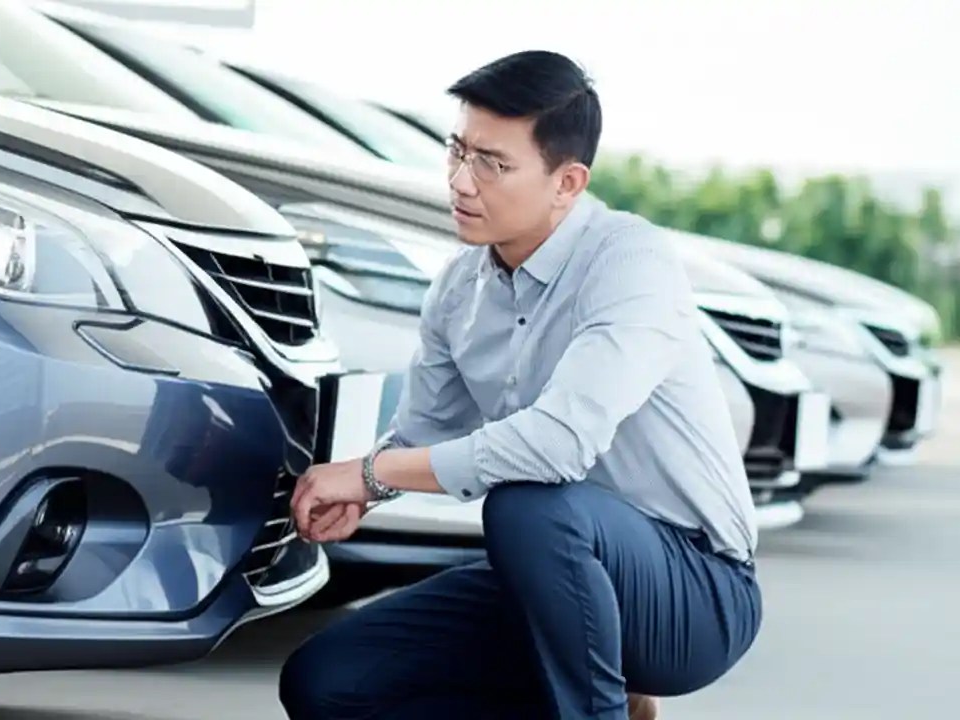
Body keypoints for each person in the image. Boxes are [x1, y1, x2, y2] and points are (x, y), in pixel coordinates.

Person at [282, 50, 764, 720]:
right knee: (326, 682)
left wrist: (368, 473)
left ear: (567, 182)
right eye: (458, 150)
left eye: (492, 163)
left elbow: (557, 446)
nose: (460, 181)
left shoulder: (630, 262)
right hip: (553, 578)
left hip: (695, 591)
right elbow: (425, 434)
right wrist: (367, 493)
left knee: (528, 506)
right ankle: (607, 699)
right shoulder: (458, 288)